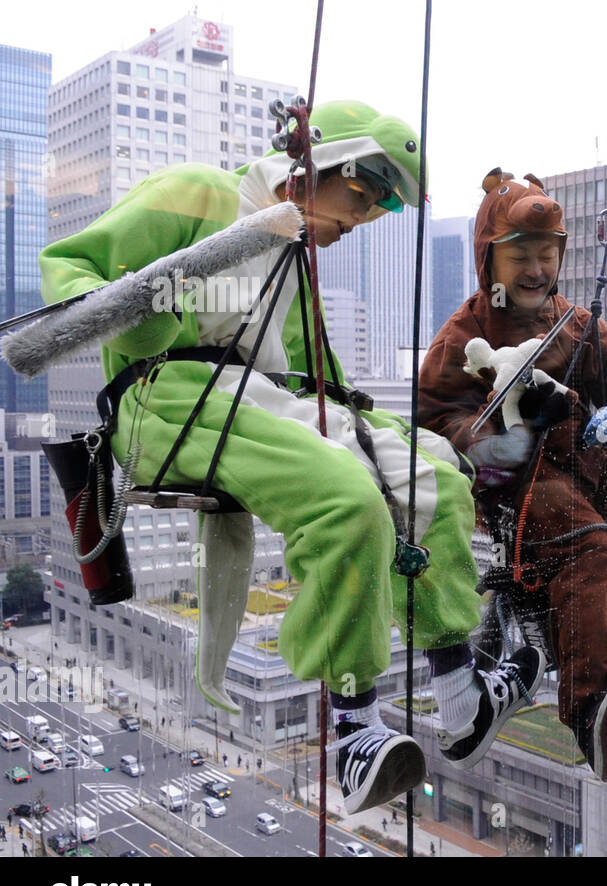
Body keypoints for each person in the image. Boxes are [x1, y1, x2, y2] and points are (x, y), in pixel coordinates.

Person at [38, 102, 541, 816]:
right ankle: (354, 728)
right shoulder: (198, 193)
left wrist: (390, 433)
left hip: (260, 398)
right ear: (323, 167)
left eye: (369, 219)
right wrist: (130, 302)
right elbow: (73, 263)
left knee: (431, 476)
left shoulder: (290, 258)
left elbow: (315, 373)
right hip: (170, 395)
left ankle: (461, 695)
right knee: (347, 498)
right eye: (358, 203)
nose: (352, 228)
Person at [419, 169, 607, 781]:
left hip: (593, 466)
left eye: (546, 254)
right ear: (490, 260)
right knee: (591, 546)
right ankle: (596, 703)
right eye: (520, 254)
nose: (535, 269)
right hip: (519, 492)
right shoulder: (463, 338)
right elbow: (435, 428)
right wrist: (508, 434)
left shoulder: (580, 327)